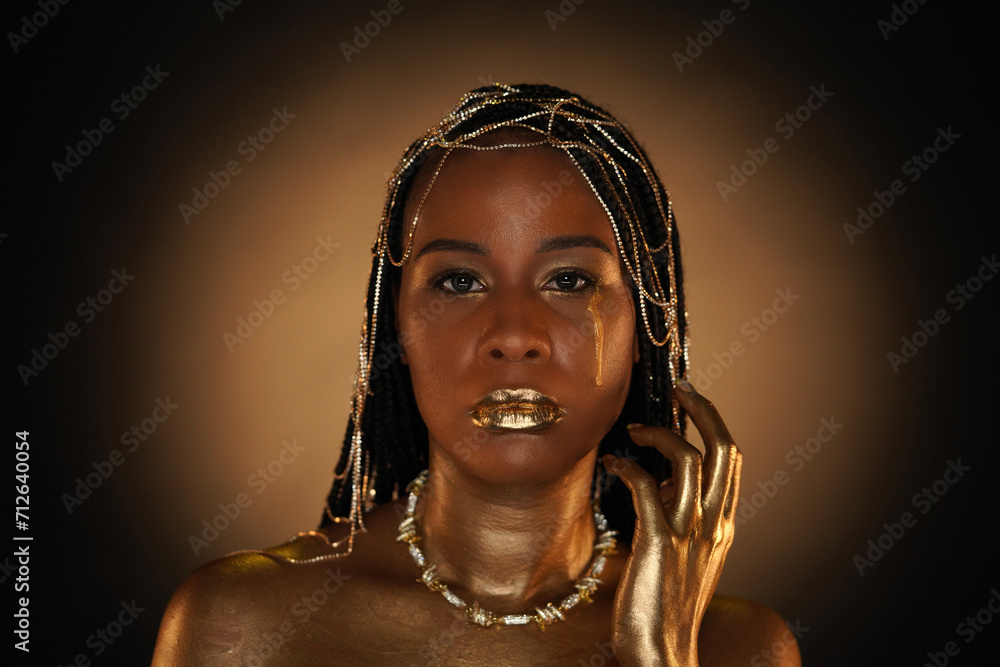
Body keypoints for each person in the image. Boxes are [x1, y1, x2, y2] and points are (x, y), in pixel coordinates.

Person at [152, 83, 801, 666]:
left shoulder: (738, 648)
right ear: (399, 326)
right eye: (460, 282)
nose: (514, 335)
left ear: (643, 325)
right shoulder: (244, 622)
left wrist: (659, 656)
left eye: (569, 280)